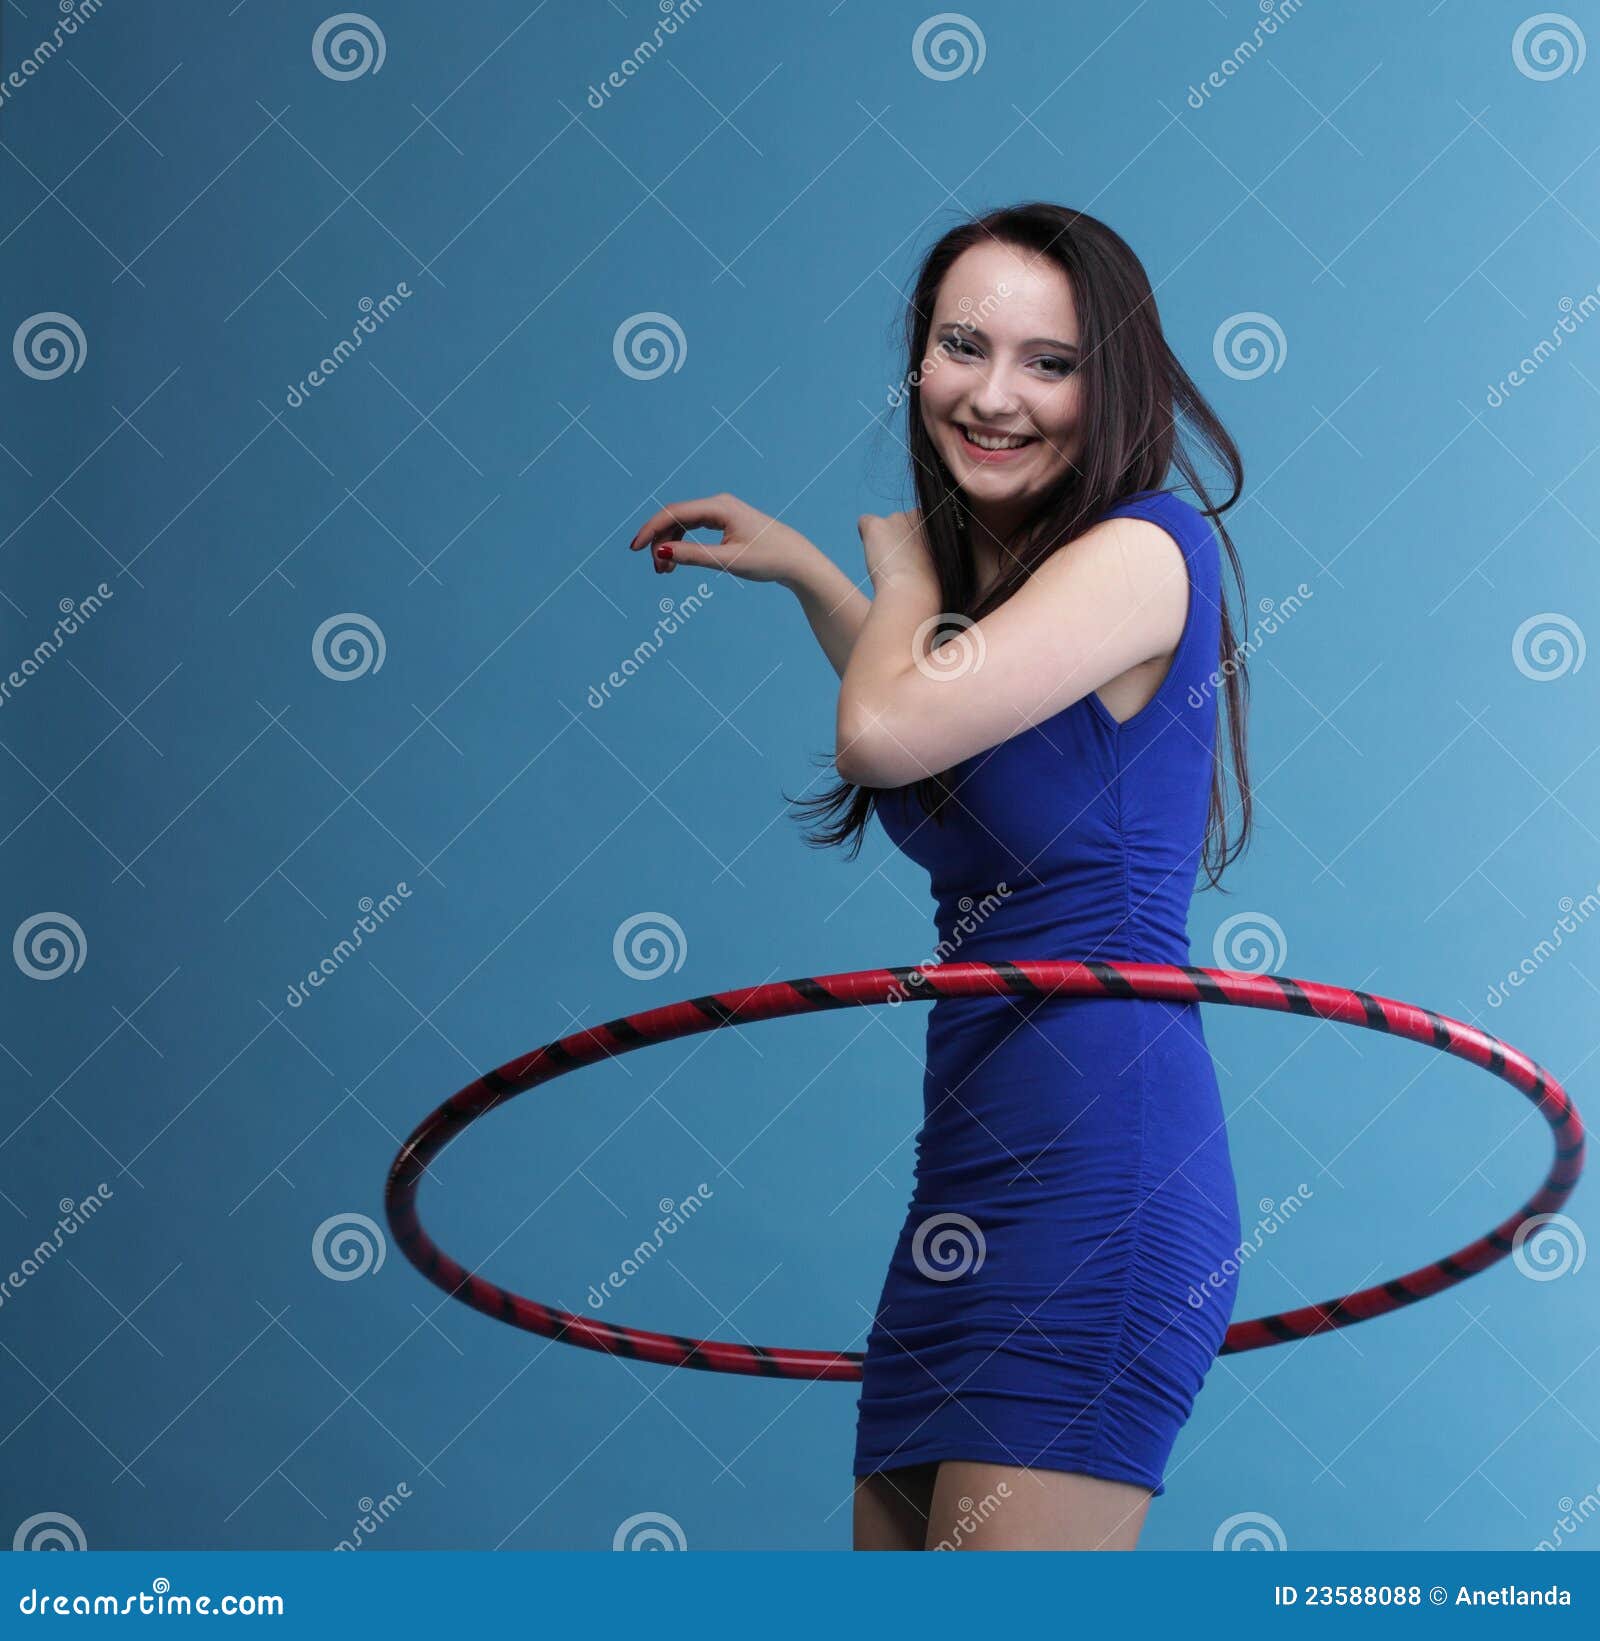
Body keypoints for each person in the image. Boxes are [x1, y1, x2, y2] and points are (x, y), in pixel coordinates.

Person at [627, 202, 1254, 1551]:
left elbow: (883, 730)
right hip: (967, 1188)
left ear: (1112, 382)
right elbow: (953, 752)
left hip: (1101, 1178)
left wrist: (906, 565)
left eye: (1049, 362)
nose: (993, 394)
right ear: (919, 357)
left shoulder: (1141, 551)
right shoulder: (1025, 593)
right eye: (963, 346)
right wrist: (815, 575)